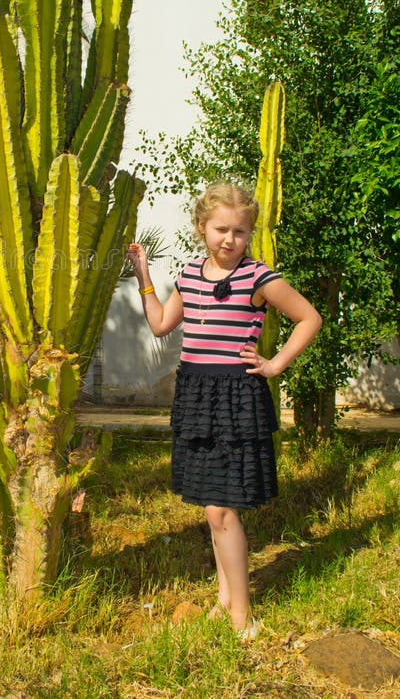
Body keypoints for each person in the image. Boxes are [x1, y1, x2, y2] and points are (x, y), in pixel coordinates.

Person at [127, 181, 321, 639]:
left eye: (239, 231)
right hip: (196, 396)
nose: (229, 239)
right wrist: (143, 276)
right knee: (212, 508)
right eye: (221, 230)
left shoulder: (258, 277)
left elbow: (309, 317)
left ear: (249, 233)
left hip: (236, 399)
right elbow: (160, 324)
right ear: (202, 227)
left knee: (221, 510)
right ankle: (225, 600)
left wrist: (275, 364)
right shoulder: (190, 275)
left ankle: (242, 617)